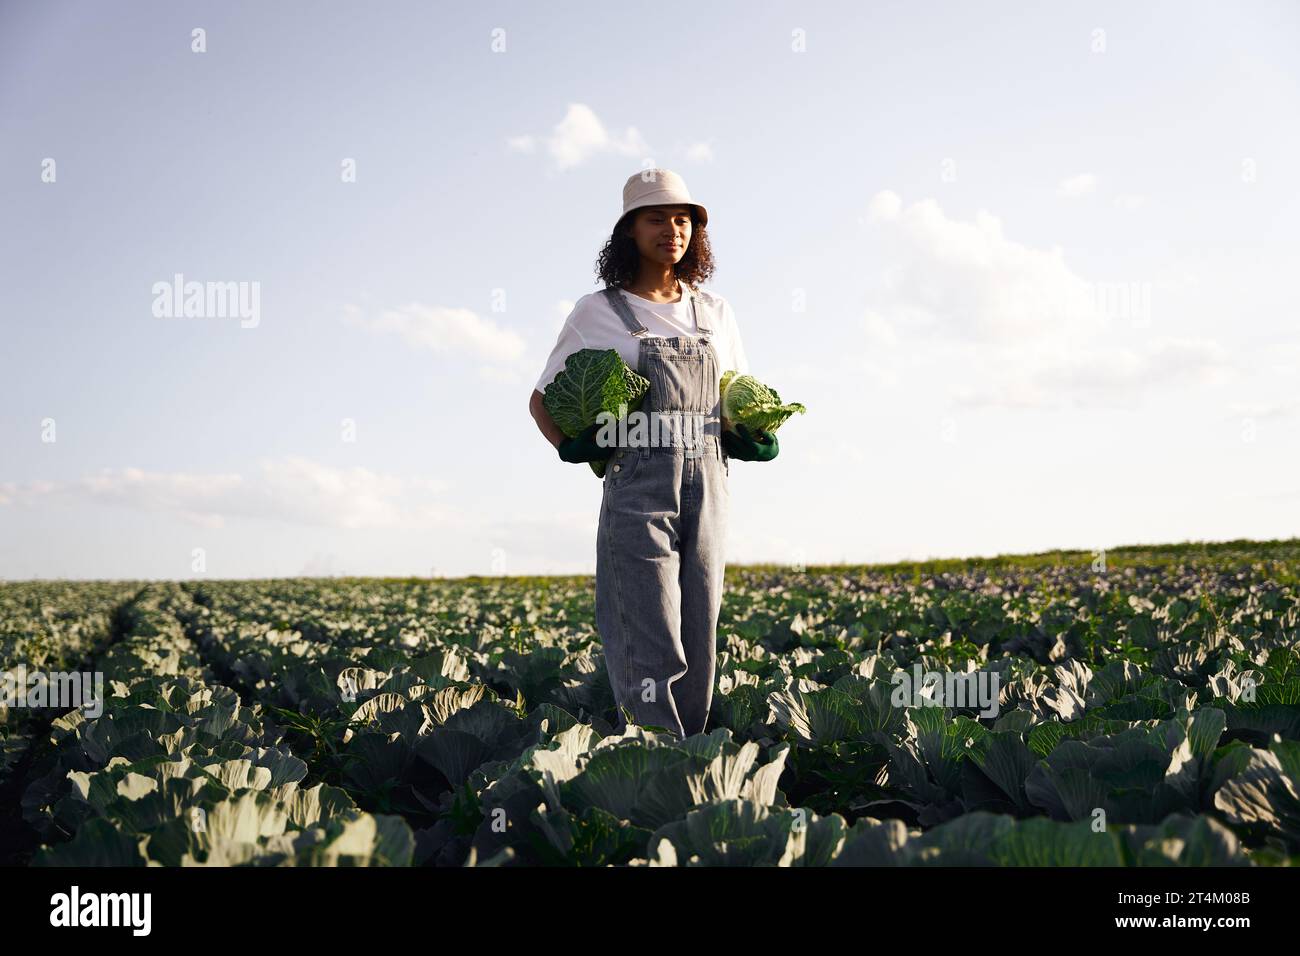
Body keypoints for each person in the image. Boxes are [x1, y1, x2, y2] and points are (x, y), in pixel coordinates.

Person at [528, 168, 779, 740]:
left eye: (684, 219)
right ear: (629, 231)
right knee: (648, 624)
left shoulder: (715, 311)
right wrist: (571, 444)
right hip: (639, 478)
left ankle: (689, 754)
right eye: (657, 218)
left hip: (710, 480)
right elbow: (541, 398)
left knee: (700, 622)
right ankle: (651, 749)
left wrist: (752, 433)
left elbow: (734, 391)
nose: (673, 229)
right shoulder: (597, 312)